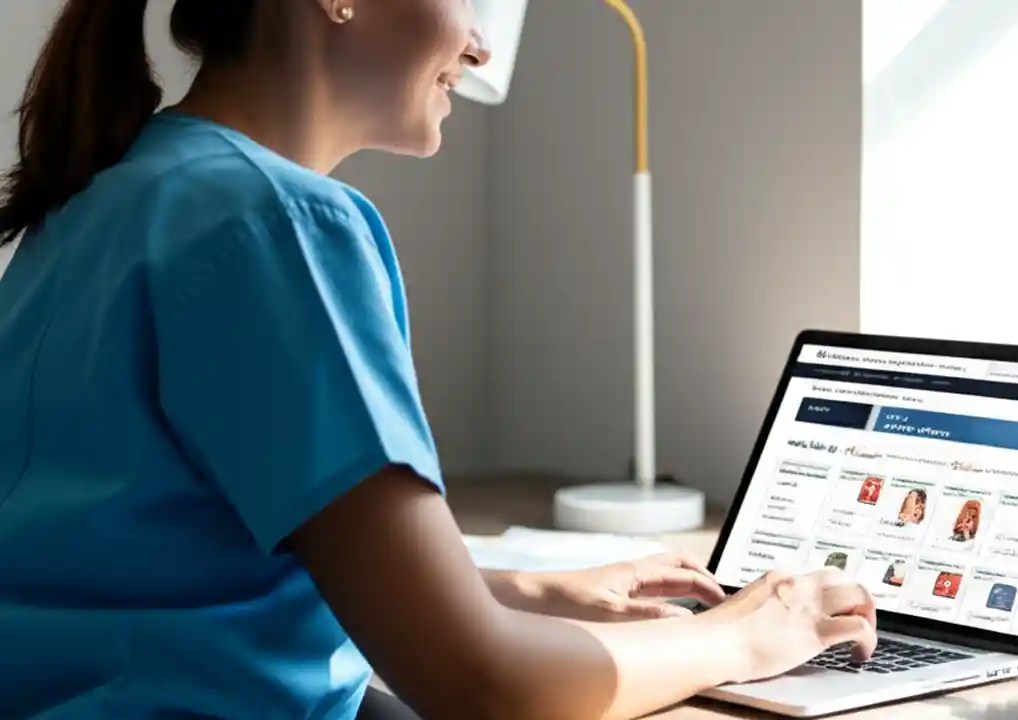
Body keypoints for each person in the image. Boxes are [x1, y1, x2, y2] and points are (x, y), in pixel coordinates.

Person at [0, 1, 878, 719]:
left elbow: (159, 561)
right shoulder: (276, 225)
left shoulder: (115, 191)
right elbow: (478, 683)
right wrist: (751, 635)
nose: (480, 41)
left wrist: (529, 589)